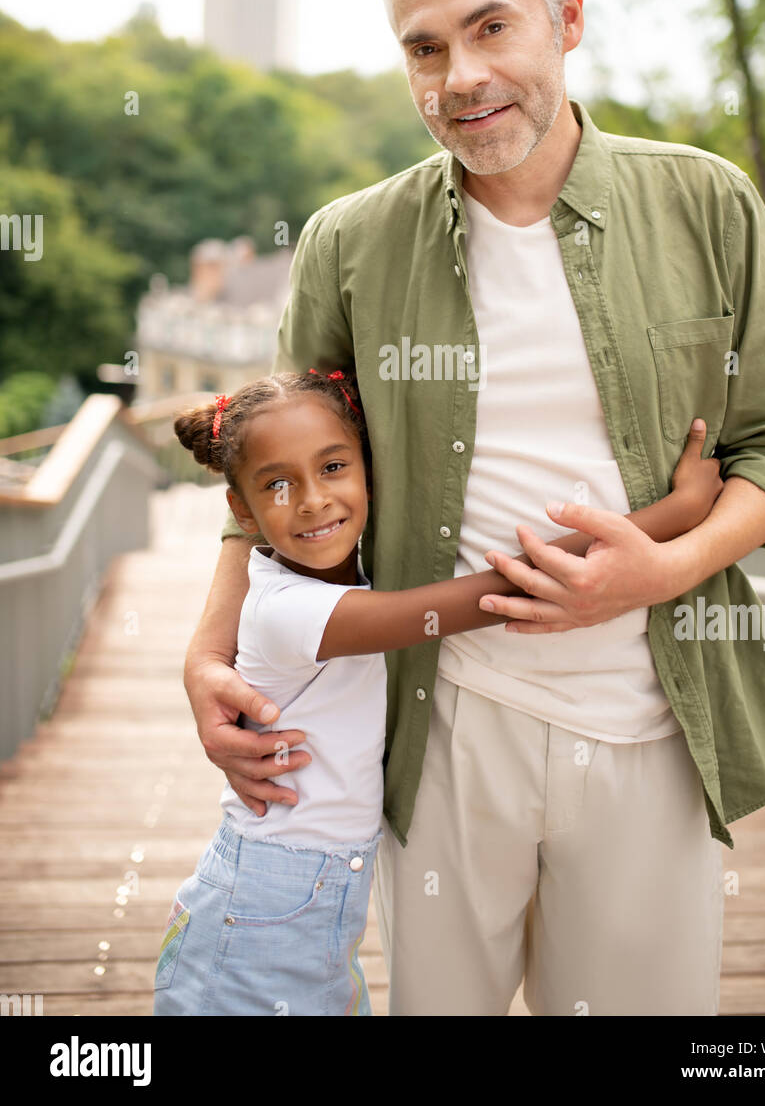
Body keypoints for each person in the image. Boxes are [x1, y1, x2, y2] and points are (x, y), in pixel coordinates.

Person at [182, 0, 765, 1016]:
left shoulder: (705, 202)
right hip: (438, 732)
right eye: (423, 47)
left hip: (650, 721)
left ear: (565, 18)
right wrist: (204, 654)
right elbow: (262, 477)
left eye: (491, 27)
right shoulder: (347, 242)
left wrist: (664, 565)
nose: (460, 77)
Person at [153, 368, 722, 1015]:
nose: (312, 499)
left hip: (309, 903)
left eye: (333, 467)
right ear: (241, 510)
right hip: (263, 911)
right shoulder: (287, 611)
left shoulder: (343, 580)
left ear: (370, 470)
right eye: (277, 484)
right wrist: (676, 515)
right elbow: (491, 590)